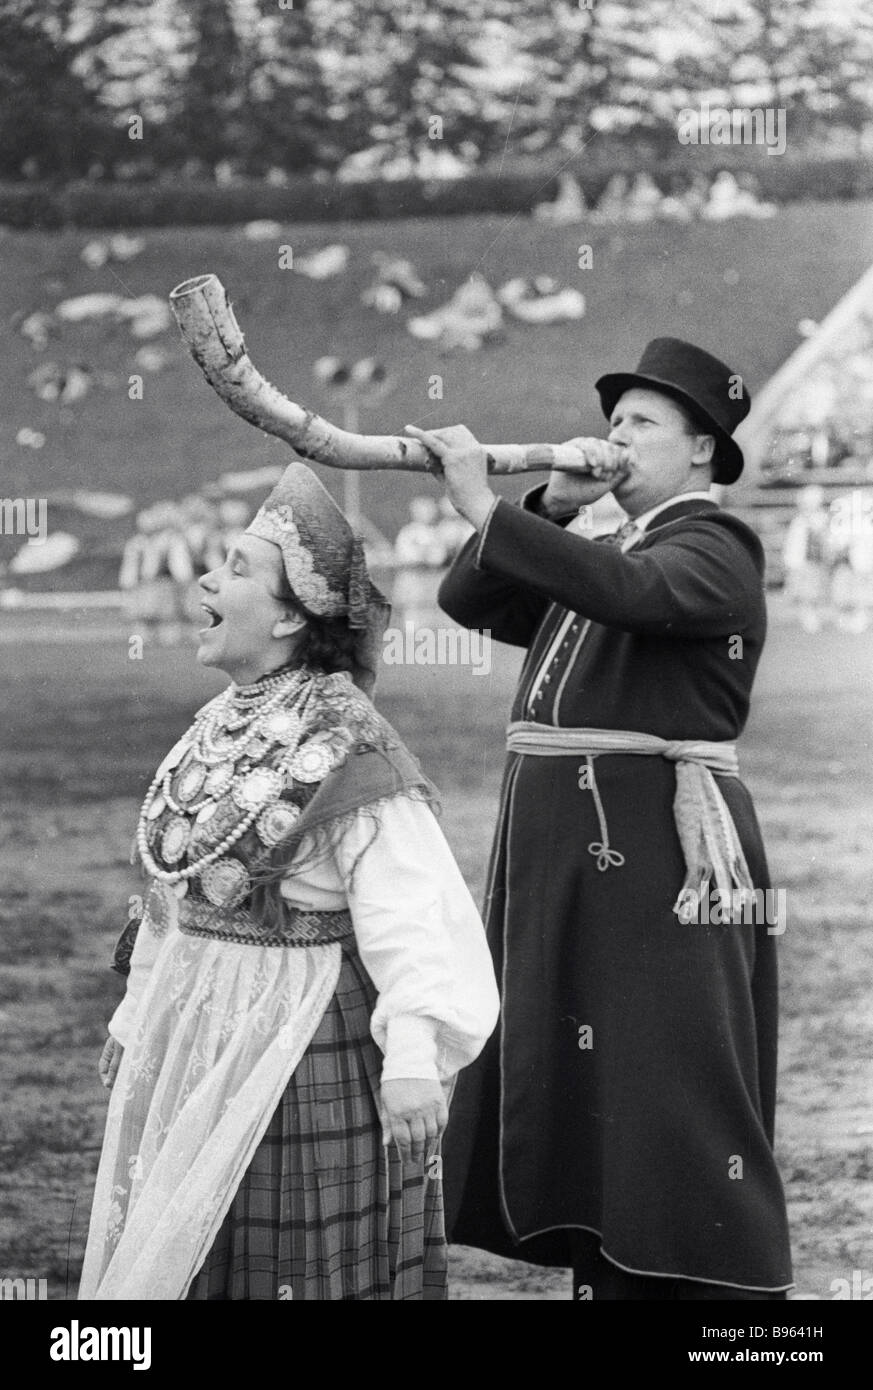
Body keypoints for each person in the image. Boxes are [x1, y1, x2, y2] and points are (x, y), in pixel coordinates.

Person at [404, 337, 794, 1300]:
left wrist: (484, 504)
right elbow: (468, 601)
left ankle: (714, 1288)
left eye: (640, 423)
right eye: (611, 420)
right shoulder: (609, 551)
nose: (612, 438)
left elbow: (633, 595)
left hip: (659, 855)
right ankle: (602, 1261)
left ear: (701, 449)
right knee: (582, 1060)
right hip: (578, 856)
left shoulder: (712, 545)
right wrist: (546, 509)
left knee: (665, 1065)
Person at [80, 461, 499, 1301]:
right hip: (197, 1027)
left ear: (286, 616)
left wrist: (413, 1056)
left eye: (237, 568)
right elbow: (177, 895)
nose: (207, 575)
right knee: (199, 1248)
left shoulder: (346, 739)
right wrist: (138, 1016)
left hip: (300, 1033)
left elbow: (410, 905)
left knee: (294, 1268)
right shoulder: (217, 722)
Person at [782, 484, 830, 631]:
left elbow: (824, 538)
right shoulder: (799, 521)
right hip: (801, 561)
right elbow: (792, 542)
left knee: (815, 589)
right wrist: (789, 559)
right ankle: (807, 615)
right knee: (803, 591)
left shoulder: (822, 518)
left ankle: (814, 614)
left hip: (816, 561)